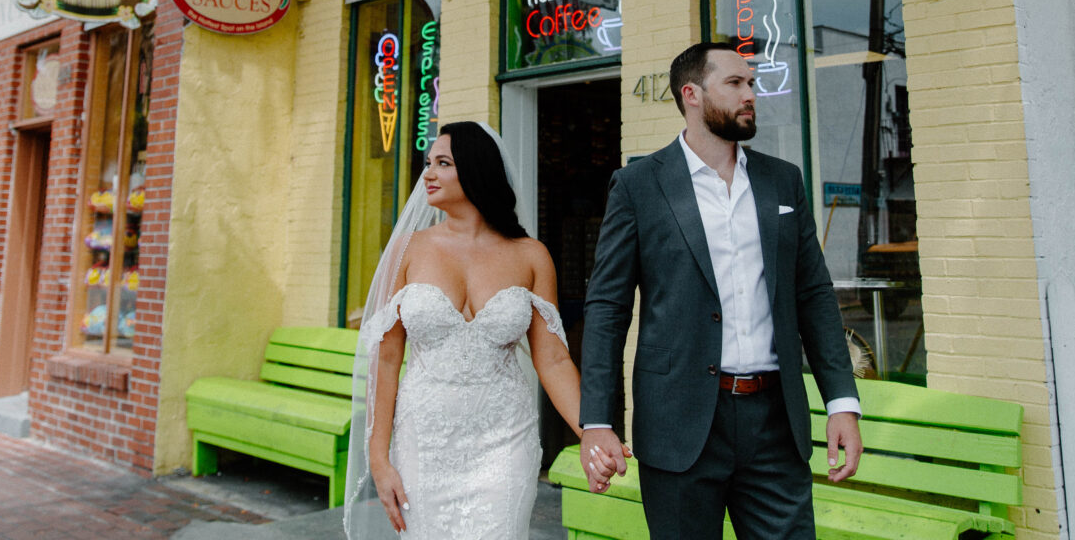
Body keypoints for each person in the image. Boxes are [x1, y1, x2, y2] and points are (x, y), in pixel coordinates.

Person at [577, 42, 865, 540]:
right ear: (691, 94)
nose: (749, 94)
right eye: (734, 83)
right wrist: (598, 420)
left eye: (751, 83)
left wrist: (841, 402)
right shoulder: (639, 185)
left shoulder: (782, 181)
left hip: (776, 422)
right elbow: (607, 307)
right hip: (678, 425)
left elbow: (814, 295)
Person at [344, 121, 589, 539]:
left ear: (477, 170)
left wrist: (592, 431)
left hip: (505, 440)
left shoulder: (531, 255)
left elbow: (553, 359)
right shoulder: (407, 250)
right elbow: (386, 360)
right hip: (424, 443)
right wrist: (379, 458)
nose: (428, 174)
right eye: (428, 163)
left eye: (443, 163)